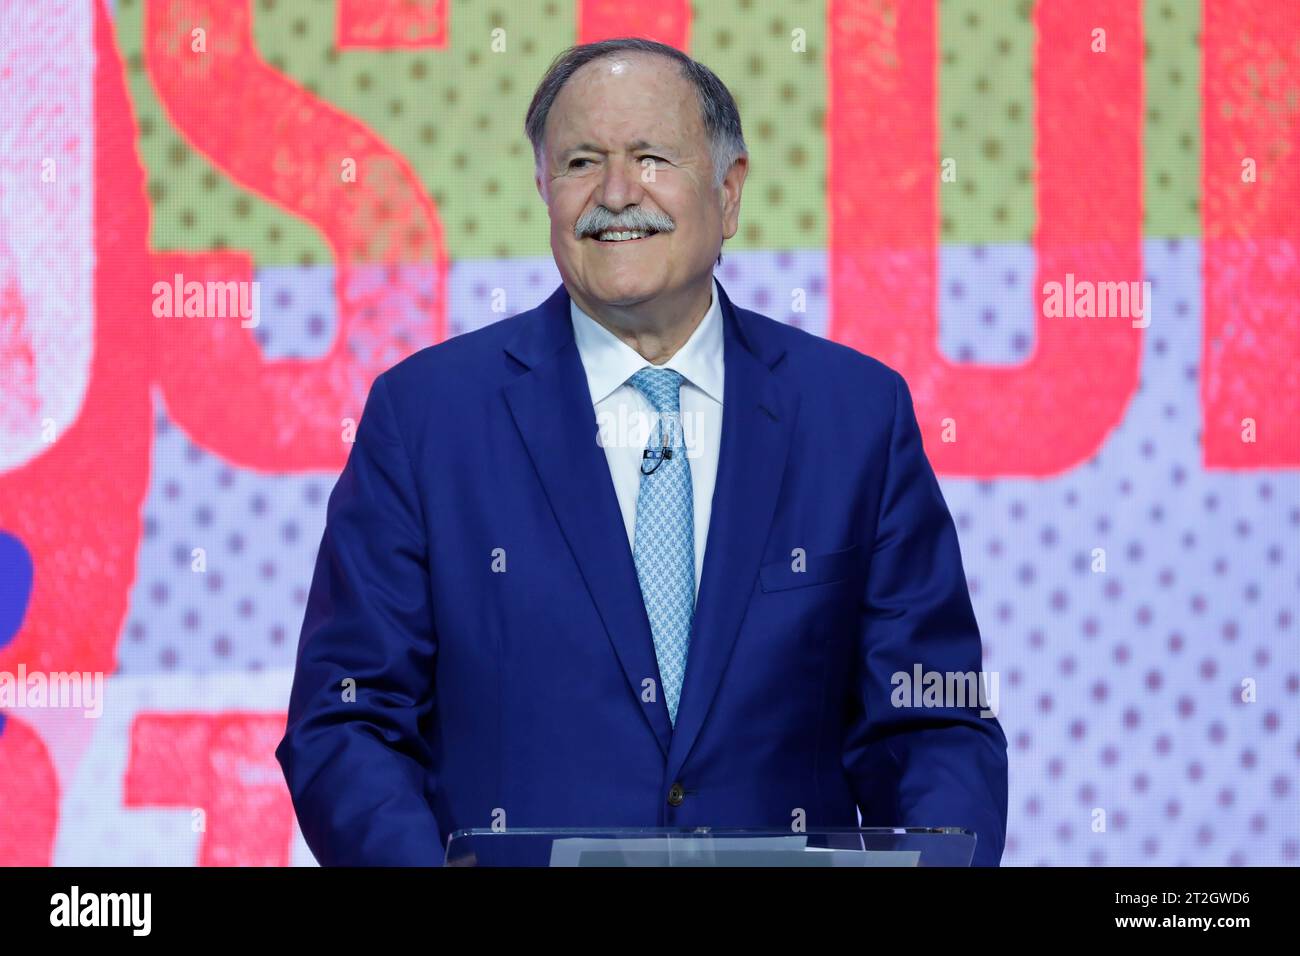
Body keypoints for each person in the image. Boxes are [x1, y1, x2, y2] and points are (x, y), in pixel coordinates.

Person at [276, 37, 1008, 866]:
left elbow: (933, 720)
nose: (617, 194)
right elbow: (347, 720)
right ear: (545, 190)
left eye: (652, 157)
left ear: (729, 193)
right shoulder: (426, 418)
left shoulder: (854, 416)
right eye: (583, 161)